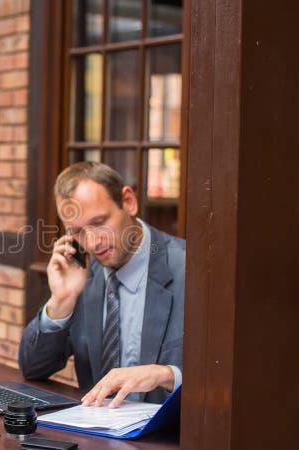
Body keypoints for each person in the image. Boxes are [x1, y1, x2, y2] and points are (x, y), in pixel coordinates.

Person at [18, 162, 185, 407]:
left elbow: (232, 374)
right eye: (78, 232)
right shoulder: (81, 275)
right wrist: (61, 301)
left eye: (98, 222)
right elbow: (33, 368)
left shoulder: (192, 269)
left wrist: (167, 375)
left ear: (128, 201)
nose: (93, 243)